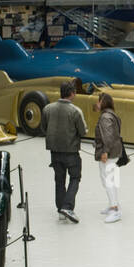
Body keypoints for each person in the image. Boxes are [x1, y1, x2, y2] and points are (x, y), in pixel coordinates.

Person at [40, 79, 87, 223]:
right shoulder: (76, 111)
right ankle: (67, 206)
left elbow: (43, 128)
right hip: (71, 152)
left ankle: (60, 209)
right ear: (72, 93)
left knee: (59, 180)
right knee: (75, 177)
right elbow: (83, 132)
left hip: (54, 152)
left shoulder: (47, 109)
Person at [94, 93, 124, 224]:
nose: (97, 104)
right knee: (113, 180)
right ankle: (113, 204)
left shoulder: (105, 117)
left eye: (99, 101)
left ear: (103, 102)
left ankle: (115, 209)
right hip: (116, 152)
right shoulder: (112, 115)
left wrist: (105, 151)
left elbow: (108, 137)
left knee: (107, 180)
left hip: (109, 153)